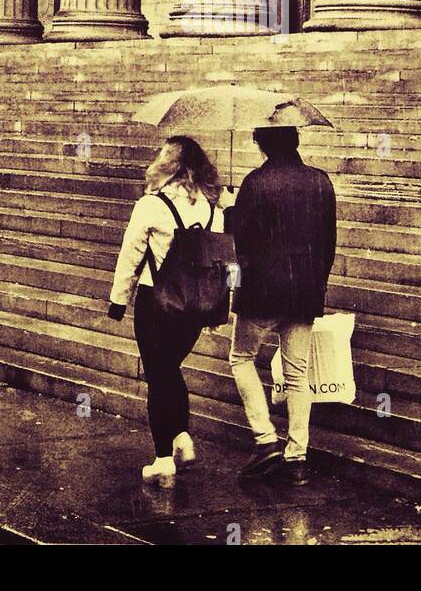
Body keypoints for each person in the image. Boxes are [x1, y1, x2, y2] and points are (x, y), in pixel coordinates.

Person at [108, 136, 225, 488]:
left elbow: (131, 254)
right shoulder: (212, 207)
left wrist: (118, 300)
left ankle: (162, 459)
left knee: (158, 375)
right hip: (193, 305)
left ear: (168, 163)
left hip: (155, 302)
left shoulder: (151, 205)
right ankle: (181, 438)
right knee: (170, 368)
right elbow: (217, 260)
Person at [225, 125, 336, 485]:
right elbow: (328, 242)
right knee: (297, 373)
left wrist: (230, 208)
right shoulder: (321, 181)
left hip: (262, 290)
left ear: (263, 144)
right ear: (296, 142)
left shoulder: (255, 183)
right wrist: (316, 283)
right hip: (305, 291)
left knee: (241, 358)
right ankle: (297, 456)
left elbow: (238, 242)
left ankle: (265, 437)